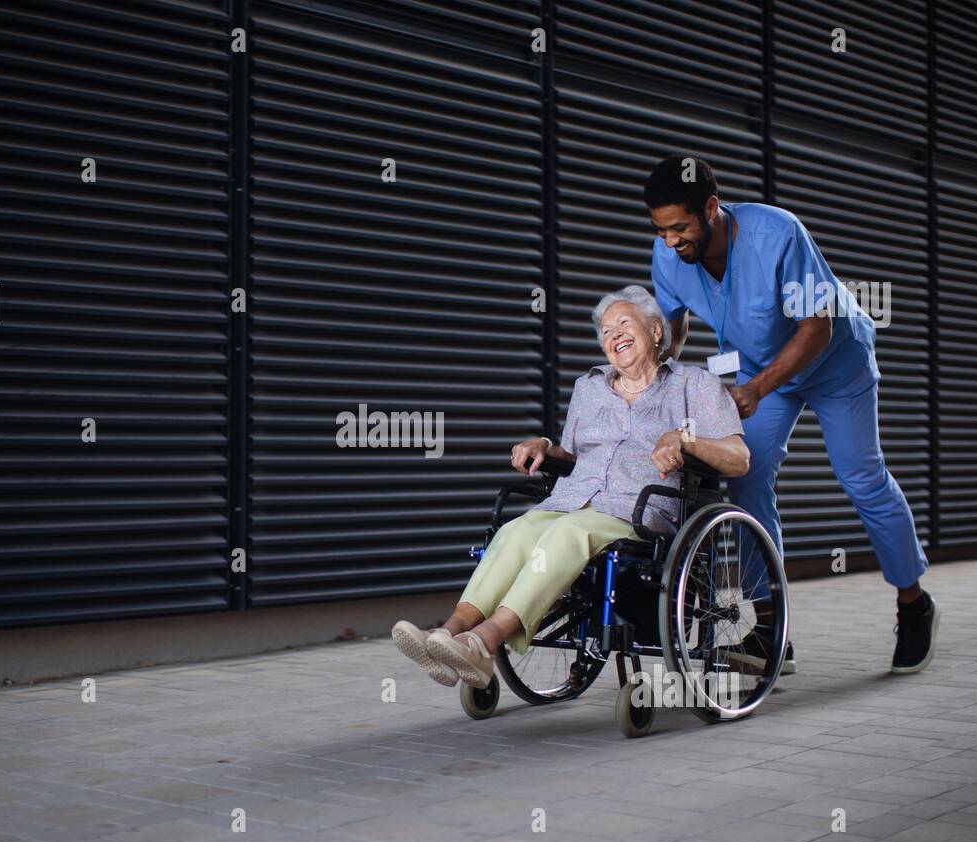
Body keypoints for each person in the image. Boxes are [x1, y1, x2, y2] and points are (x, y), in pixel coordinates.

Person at [644, 155, 938, 675]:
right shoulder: (668, 256)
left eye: (680, 227)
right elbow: (673, 328)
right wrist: (650, 369)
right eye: (661, 229)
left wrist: (756, 389)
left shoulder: (777, 234)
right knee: (746, 475)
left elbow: (817, 327)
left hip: (834, 364)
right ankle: (767, 627)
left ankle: (914, 602)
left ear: (711, 208)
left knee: (861, 477)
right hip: (762, 368)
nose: (670, 241)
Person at [391, 286, 750, 689]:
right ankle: (447, 635)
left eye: (623, 323)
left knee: (567, 534)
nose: (613, 335)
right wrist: (544, 446)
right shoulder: (590, 387)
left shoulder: (694, 385)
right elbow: (575, 454)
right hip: (574, 501)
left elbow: (739, 458)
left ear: (654, 329)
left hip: (638, 511)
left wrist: (685, 440)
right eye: (605, 332)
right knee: (517, 531)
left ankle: (484, 643)